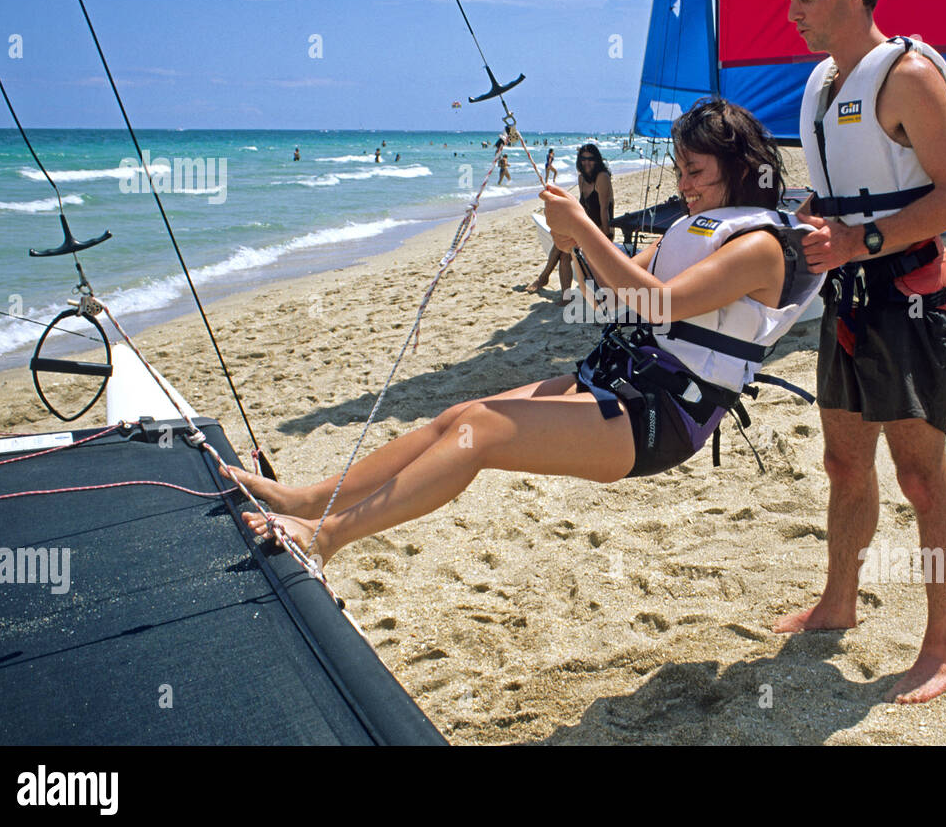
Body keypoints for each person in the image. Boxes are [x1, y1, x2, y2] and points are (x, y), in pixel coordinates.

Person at [225, 99, 823, 573]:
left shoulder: (761, 248)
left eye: (695, 171)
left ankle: (324, 539)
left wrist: (586, 231)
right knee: (460, 413)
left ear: (739, 169)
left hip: (663, 417)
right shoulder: (690, 231)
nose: (684, 185)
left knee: (478, 436)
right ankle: (307, 501)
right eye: (678, 171)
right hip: (619, 381)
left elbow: (655, 304)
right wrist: (575, 246)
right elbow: (614, 291)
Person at [779, 0, 946, 704]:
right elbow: (832, 192)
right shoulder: (823, 84)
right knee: (842, 464)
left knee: (921, 479)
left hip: (911, 301)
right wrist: (784, 228)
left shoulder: (908, 75)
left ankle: (943, 647)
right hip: (848, 303)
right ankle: (839, 603)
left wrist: (857, 239)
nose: (793, 13)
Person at [526, 144, 614, 299]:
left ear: (597, 160)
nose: (587, 162)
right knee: (563, 247)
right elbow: (582, 207)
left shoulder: (602, 177)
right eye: (583, 159)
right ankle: (562, 293)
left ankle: (544, 278)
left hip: (601, 229)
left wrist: (606, 238)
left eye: (590, 159)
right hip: (585, 228)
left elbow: (604, 209)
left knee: (565, 252)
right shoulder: (581, 179)